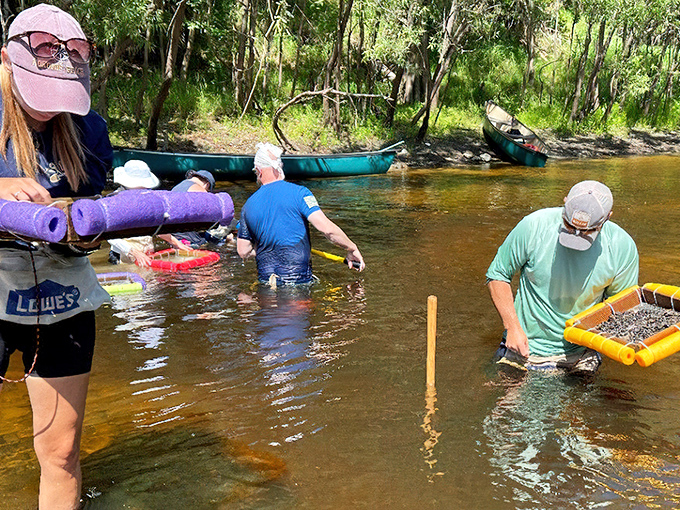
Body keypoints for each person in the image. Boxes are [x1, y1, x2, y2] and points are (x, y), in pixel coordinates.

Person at [0, 4, 113, 508]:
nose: (52, 109)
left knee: (61, 452)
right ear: (7, 60)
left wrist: (86, 231)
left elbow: (96, 219)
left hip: (63, 291)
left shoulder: (89, 131)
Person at [486, 180, 639, 373]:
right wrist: (513, 328)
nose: (576, 235)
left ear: (608, 218)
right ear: (564, 202)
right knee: (504, 402)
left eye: (587, 231)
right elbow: (497, 275)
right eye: (569, 224)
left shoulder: (621, 247)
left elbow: (620, 307)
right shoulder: (533, 226)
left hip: (582, 355)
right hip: (523, 349)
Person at [237, 142, 365, 285]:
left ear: (259, 171)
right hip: (297, 281)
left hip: (266, 283)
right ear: (279, 167)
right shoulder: (300, 194)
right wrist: (352, 248)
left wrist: (263, 247)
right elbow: (327, 229)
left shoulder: (248, 205)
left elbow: (243, 251)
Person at [108, 160, 191, 265]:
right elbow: (110, 236)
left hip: (147, 251)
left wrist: (175, 242)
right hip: (123, 255)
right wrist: (133, 252)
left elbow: (157, 225)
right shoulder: (114, 201)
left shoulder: (148, 197)